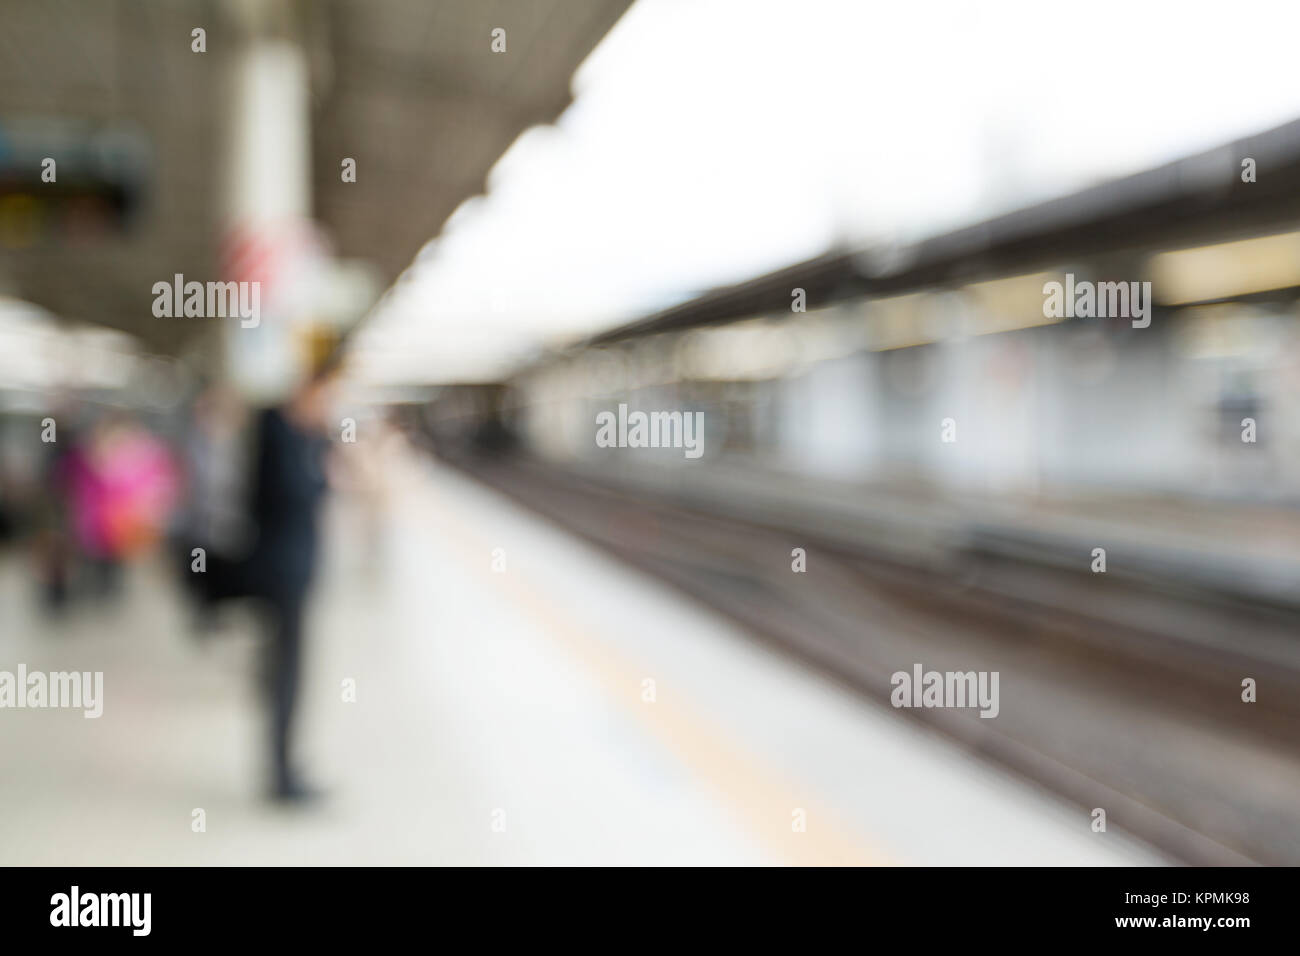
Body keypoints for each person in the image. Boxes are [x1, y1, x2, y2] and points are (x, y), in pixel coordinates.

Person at [245, 353, 342, 803]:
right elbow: (295, 493)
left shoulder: (305, 436)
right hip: (280, 572)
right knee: (286, 672)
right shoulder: (277, 432)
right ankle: (280, 776)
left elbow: (323, 488)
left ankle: (286, 764)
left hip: (298, 571)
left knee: (289, 672)